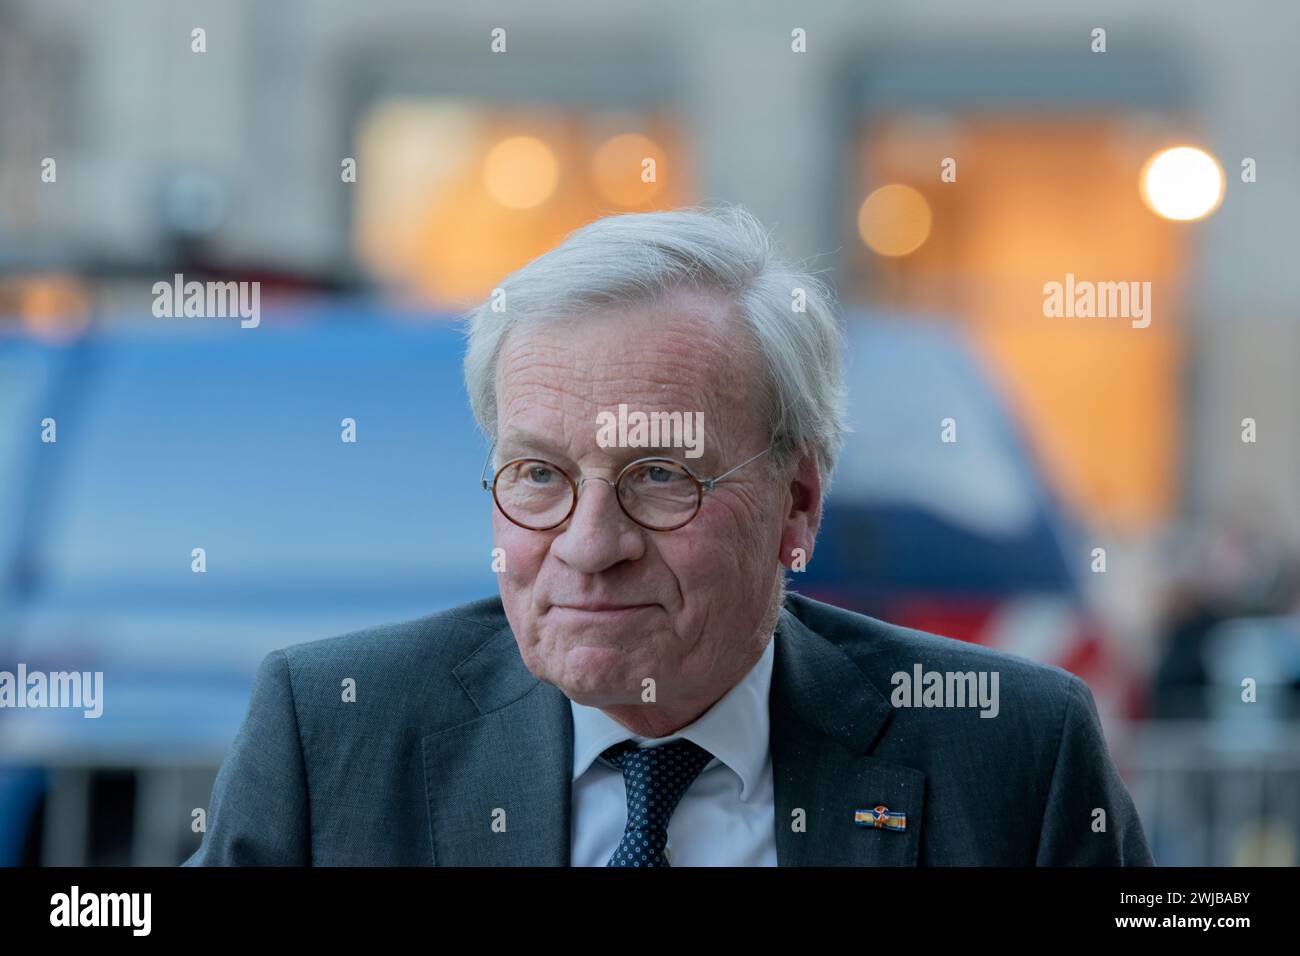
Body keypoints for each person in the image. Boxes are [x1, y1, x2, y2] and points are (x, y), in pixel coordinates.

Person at [184, 204, 1151, 866]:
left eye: (660, 478)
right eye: (539, 476)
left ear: (799, 503)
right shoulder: (333, 733)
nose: (588, 544)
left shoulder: (1010, 749)